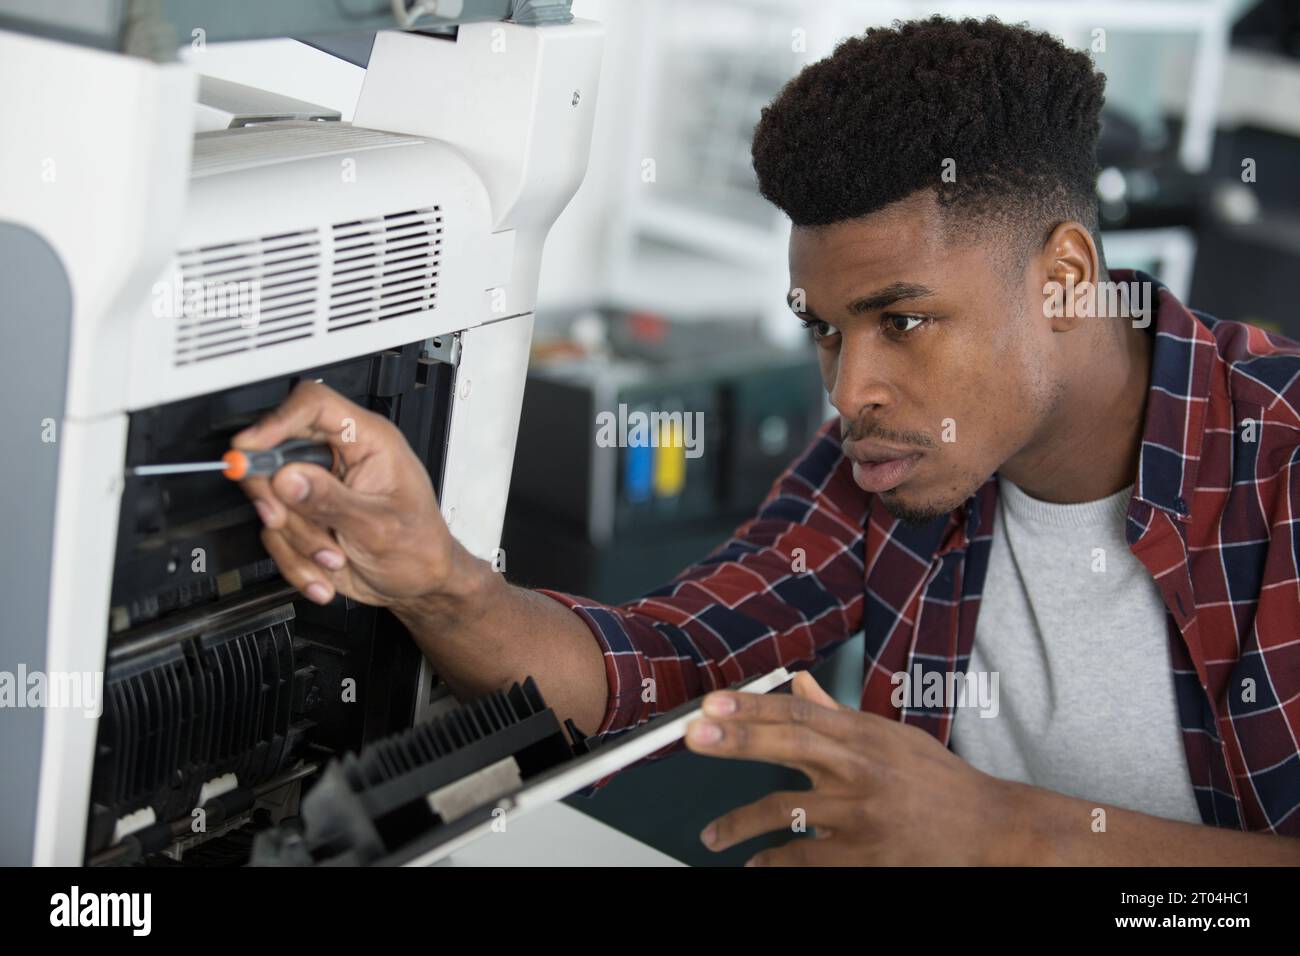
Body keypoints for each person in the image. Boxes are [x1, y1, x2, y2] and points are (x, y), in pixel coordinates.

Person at [232, 16, 1300, 865]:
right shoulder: (892, 463)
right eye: (825, 331)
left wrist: (1003, 833)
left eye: (902, 320)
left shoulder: (1281, 466)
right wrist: (437, 580)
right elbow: (658, 670)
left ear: (1063, 277)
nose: (850, 388)